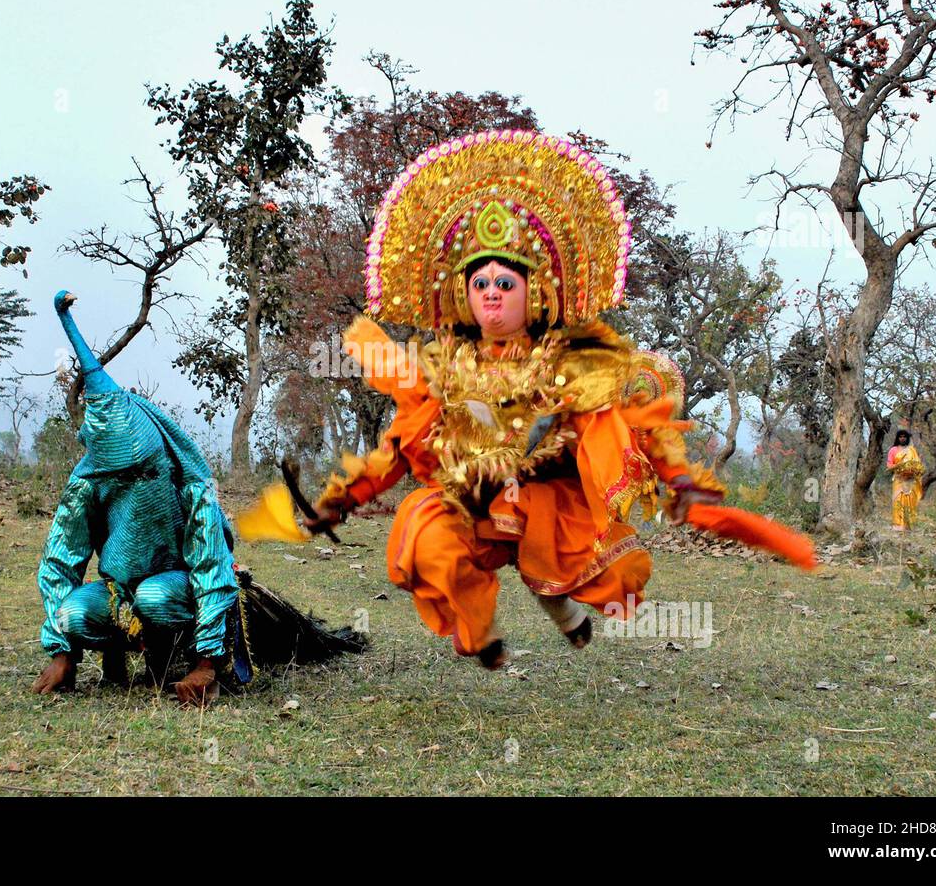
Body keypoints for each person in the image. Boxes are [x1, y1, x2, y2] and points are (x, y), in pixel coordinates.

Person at [293, 130, 731, 669]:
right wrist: (342, 500)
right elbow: (400, 446)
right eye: (480, 284)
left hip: (547, 505)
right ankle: (481, 632)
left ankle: (564, 610)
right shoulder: (441, 367)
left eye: (505, 281)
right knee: (424, 537)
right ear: (465, 296)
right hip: (470, 505)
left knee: (597, 572)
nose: (492, 292)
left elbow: (632, 417)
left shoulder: (571, 358)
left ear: (535, 290)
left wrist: (681, 480)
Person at [33, 290, 363, 703]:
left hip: (176, 582)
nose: (133, 484)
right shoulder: (88, 483)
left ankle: (196, 651)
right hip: (119, 590)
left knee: (156, 596)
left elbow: (209, 565)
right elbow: (60, 562)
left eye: (143, 473)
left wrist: (207, 663)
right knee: (74, 612)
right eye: (121, 478)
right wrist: (61, 649)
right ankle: (118, 657)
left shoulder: (189, 486)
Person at [886, 429, 925, 531]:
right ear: (897, 438)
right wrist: (899, 466)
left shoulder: (912, 450)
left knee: (910, 502)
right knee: (898, 501)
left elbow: (918, 465)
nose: (902, 438)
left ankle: (909, 527)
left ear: (907, 438)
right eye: (900, 437)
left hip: (910, 480)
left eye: (904, 437)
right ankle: (898, 527)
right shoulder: (893, 450)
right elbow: (889, 465)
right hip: (899, 480)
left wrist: (913, 470)